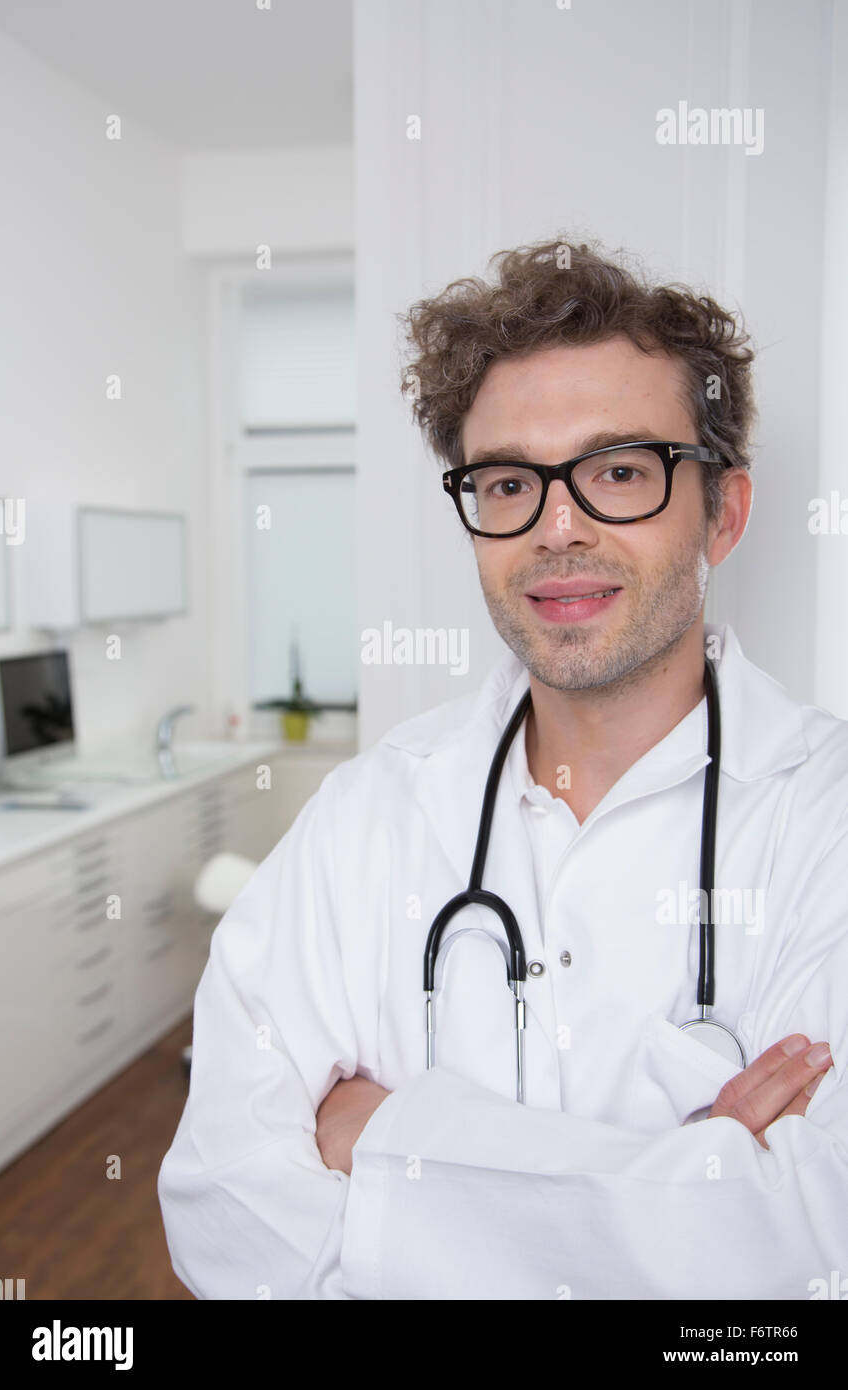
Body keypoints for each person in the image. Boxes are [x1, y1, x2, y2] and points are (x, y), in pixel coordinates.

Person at [158, 237, 848, 1300]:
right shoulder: (368, 816)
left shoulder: (823, 817)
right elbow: (222, 1204)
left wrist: (384, 1139)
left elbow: (814, 1255)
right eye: (508, 481)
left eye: (619, 471)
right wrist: (694, 1182)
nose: (556, 528)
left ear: (723, 511)